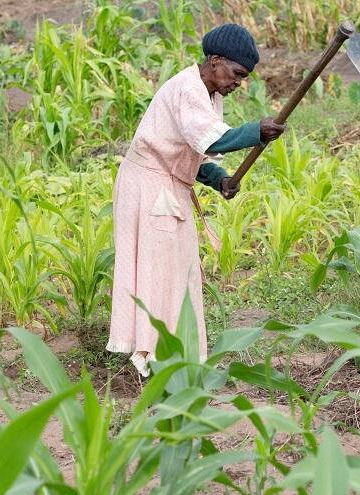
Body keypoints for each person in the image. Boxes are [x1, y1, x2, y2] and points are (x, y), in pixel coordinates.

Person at [108, 23, 286, 378]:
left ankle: (175, 358)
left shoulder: (210, 96)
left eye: (244, 77)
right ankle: (157, 362)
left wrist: (219, 180)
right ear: (215, 60)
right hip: (149, 189)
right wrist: (256, 132)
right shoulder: (188, 87)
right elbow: (213, 141)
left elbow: (195, 153)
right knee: (158, 275)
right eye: (236, 73)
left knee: (178, 273)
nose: (238, 82)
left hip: (167, 186)